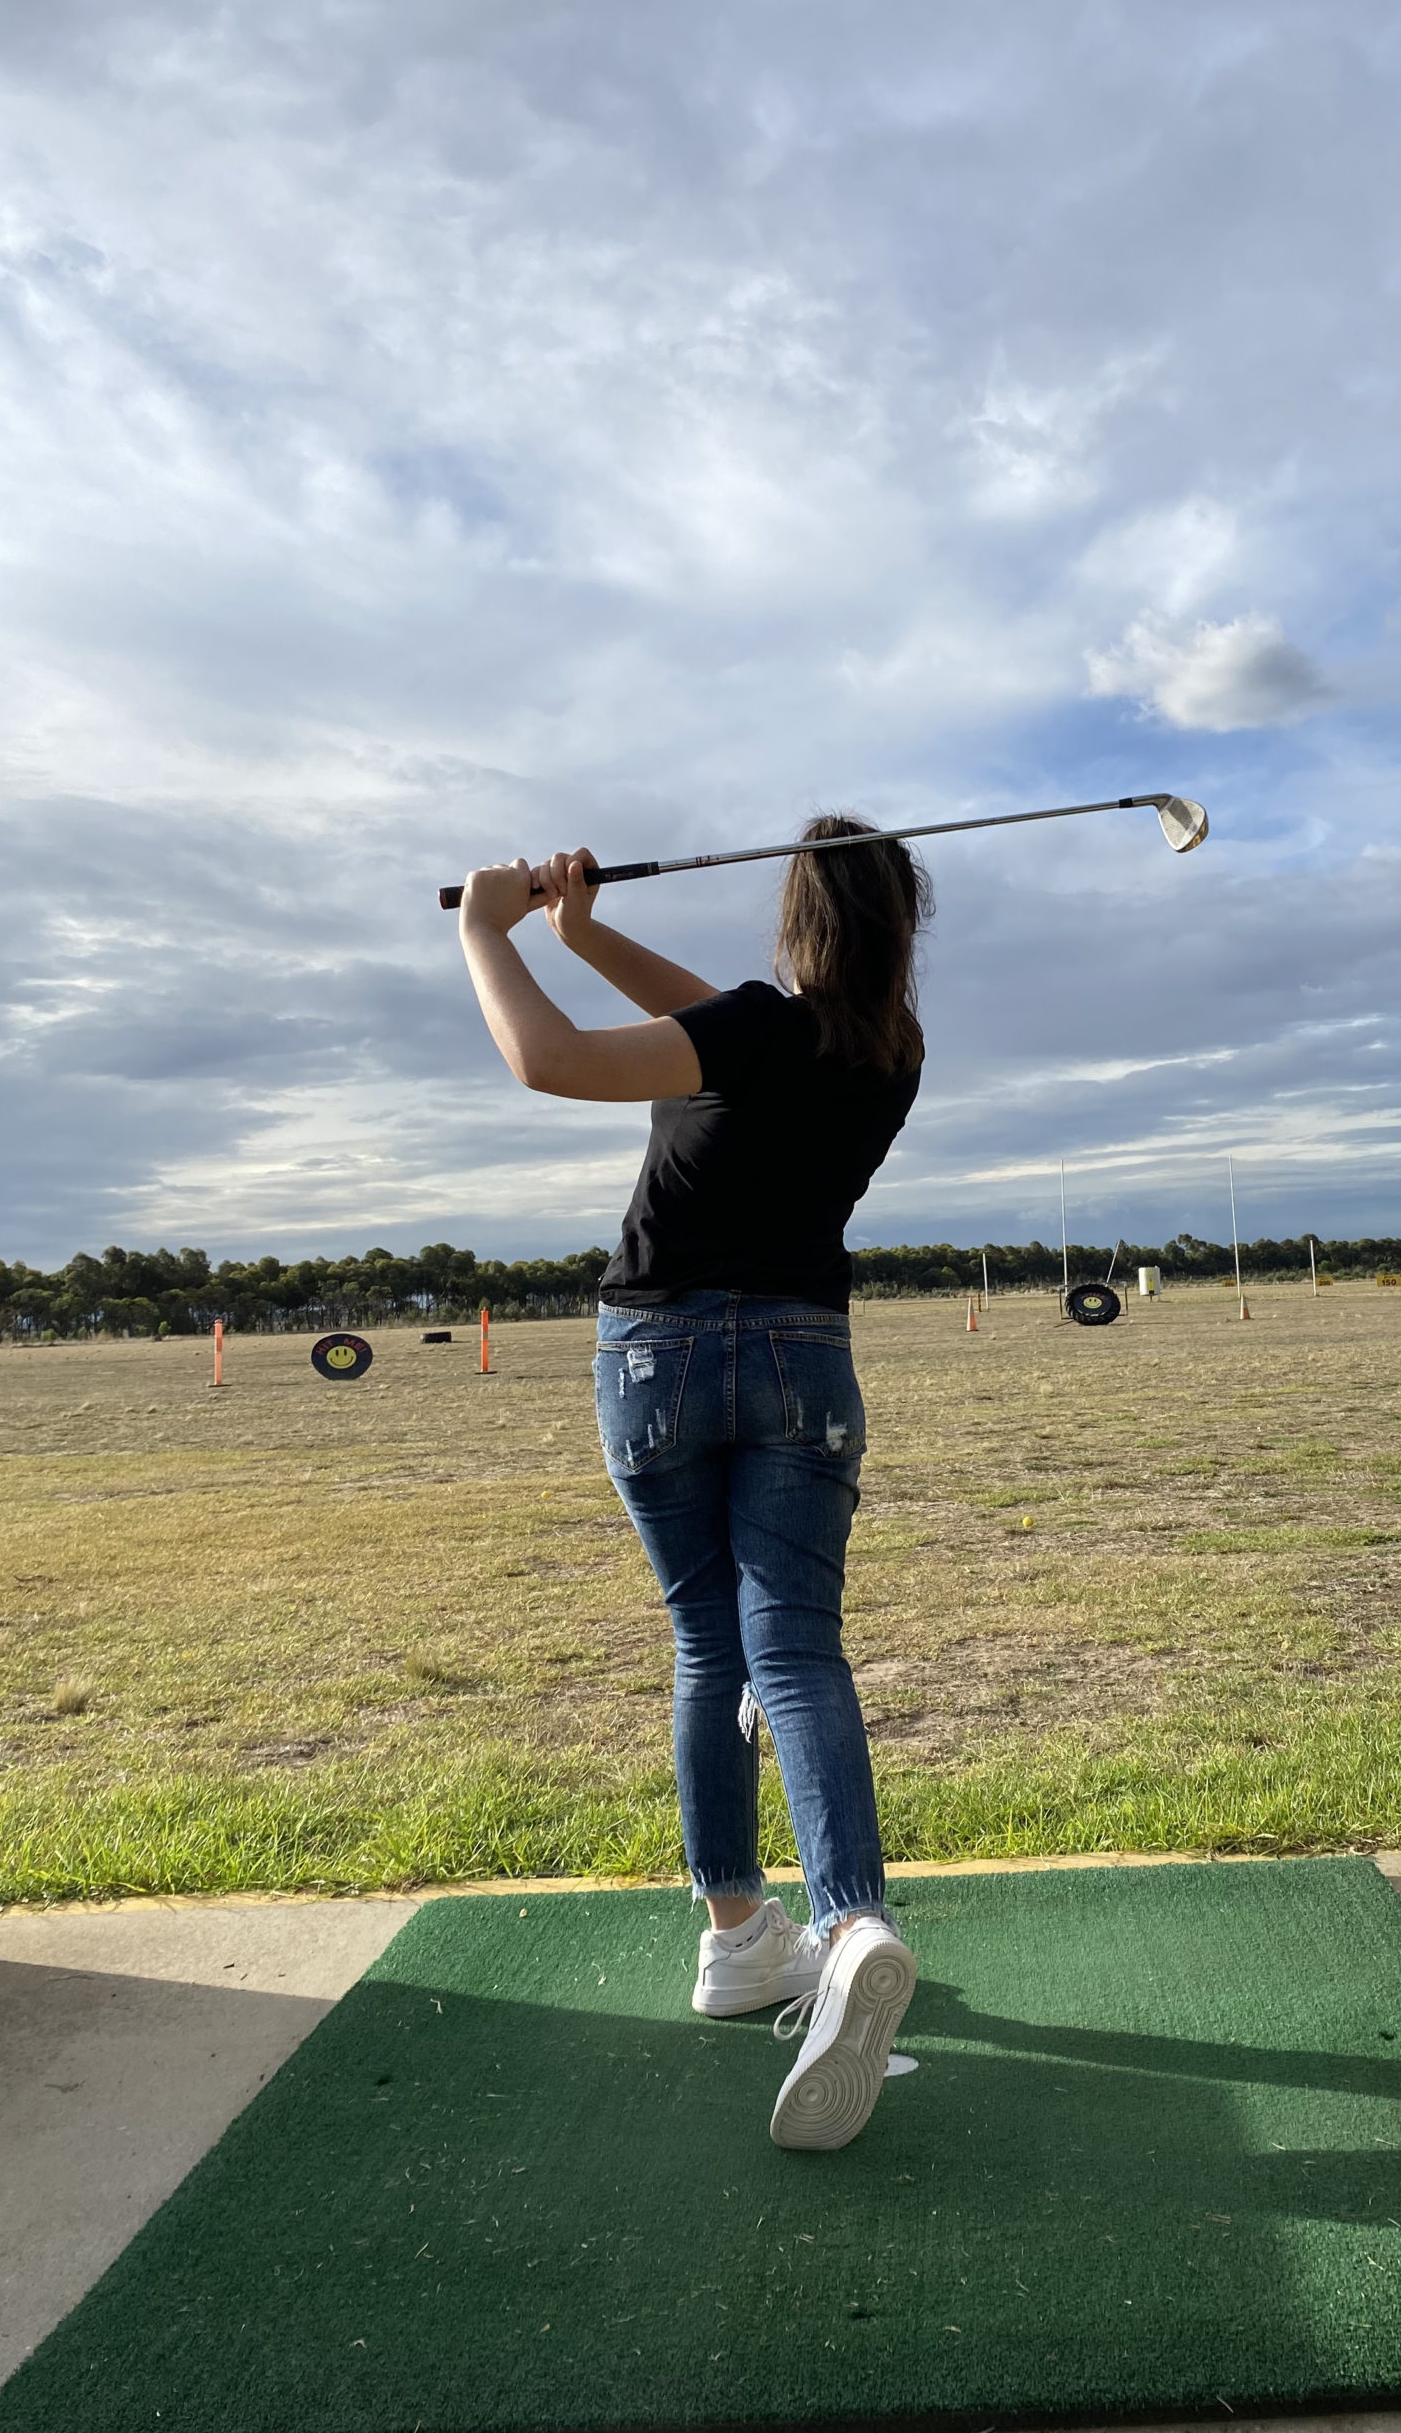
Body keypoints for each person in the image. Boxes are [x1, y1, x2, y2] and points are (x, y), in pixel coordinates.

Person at [454, 818, 928, 2152]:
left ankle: (743, 1928)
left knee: (709, 1651)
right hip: (801, 1359)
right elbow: (705, 1014)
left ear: (796, 914)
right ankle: (837, 1929)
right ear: (899, 925)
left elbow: (547, 1063)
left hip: (661, 1357)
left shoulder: (760, 1033)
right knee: (798, 1651)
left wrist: (484, 931)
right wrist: (584, 926)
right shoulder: (878, 1045)